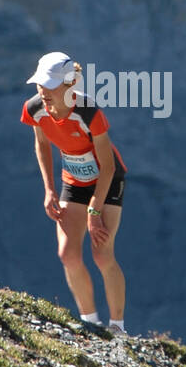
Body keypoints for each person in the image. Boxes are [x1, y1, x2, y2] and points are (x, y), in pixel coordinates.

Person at [21, 52, 129, 334]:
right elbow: (42, 145)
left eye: (49, 85)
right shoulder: (35, 108)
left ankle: (117, 329)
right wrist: (48, 190)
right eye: (39, 84)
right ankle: (90, 324)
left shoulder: (88, 112)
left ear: (69, 85)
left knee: (102, 254)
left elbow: (106, 167)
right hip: (74, 180)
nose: (42, 91)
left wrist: (94, 211)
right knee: (68, 254)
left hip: (107, 179)